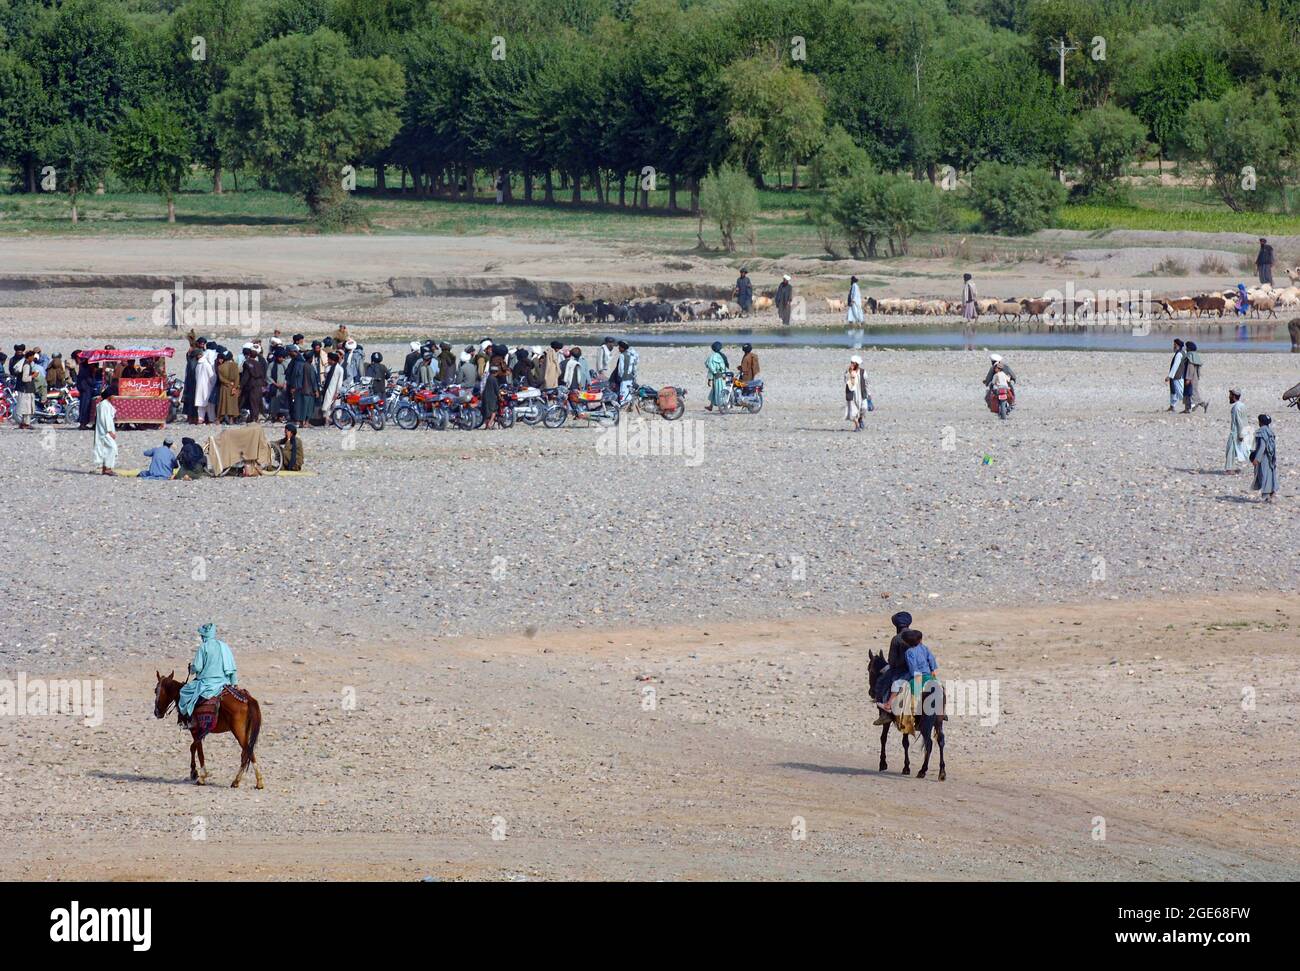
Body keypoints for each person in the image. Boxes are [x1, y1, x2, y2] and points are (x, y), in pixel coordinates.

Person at [177, 623, 239, 724]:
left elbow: (198, 667)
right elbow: (231, 667)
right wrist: (234, 683)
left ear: (204, 636)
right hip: (224, 682)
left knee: (184, 691)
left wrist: (191, 669)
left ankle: (188, 720)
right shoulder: (224, 647)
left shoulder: (203, 647)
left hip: (207, 683)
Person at [874, 611, 913, 724]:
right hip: (919, 669)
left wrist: (893, 665)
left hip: (902, 671)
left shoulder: (896, 639)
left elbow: (892, 660)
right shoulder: (916, 635)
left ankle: (885, 711)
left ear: (896, 625)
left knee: (882, 682)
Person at [1250, 414, 1277, 502]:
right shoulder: (1270, 431)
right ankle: (1272, 492)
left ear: (1260, 422)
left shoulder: (1261, 432)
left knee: (1263, 474)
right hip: (1271, 456)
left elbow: (1262, 446)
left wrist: (1257, 459)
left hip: (1264, 457)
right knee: (1270, 474)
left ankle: (1266, 495)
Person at [1225, 390, 1250, 473]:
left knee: (1230, 450)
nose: (1229, 397)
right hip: (1242, 431)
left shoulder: (1236, 408)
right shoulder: (1242, 405)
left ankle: (1229, 469)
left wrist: (1241, 434)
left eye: (1230, 395)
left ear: (1234, 396)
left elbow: (1239, 422)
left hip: (1236, 432)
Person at [94, 389, 118, 476]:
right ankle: (108, 468)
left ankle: (105, 468)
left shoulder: (106, 404)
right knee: (112, 448)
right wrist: (110, 431)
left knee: (107, 449)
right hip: (104, 432)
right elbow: (105, 419)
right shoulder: (104, 405)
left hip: (106, 431)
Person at [239, 346, 266, 423]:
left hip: (251, 385)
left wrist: (241, 385)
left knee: (252, 402)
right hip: (259, 385)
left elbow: (245, 376)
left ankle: (253, 419)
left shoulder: (247, 363)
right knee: (257, 401)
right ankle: (255, 417)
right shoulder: (258, 363)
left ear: (249, 355)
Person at [1180, 341, 1207, 413]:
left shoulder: (1190, 356)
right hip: (1194, 378)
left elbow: (1190, 368)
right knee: (1187, 393)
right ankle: (1187, 409)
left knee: (1192, 393)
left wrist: (1188, 379)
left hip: (1191, 378)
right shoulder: (1195, 356)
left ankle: (1203, 404)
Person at [844, 355, 869, 431]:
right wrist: (850, 373)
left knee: (864, 408)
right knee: (853, 411)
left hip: (861, 393)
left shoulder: (863, 372)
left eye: (853, 363)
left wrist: (869, 394)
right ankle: (857, 426)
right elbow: (846, 381)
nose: (852, 364)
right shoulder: (848, 372)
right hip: (852, 394)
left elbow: (866, 383)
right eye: (851, 363)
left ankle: (860, 418)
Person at [216, 351, 240, 424]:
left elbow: (221, 379)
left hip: (224, 387)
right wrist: (234, 387)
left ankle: (219, 419)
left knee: (222, 404)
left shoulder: (220, 367)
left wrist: (228, 383)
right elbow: (237, 378)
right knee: (232, 404)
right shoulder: (235, 365)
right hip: (233, 387)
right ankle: (231, 419)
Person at [194, 347, 217, 424]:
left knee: (201, 405)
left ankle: (201, 418)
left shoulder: (198, 365)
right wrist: (214, 385)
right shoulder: (206, 364)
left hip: (199, 387)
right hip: (207, 386)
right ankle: (211, 419)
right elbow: (212, 377)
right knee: (210, 404)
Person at [16, 350, 36, 429]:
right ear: (29, 357)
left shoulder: (25, 364)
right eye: (32, 357)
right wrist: (33, 376)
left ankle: (23, 423)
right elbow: (25, 378)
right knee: (27, 407)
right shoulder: (27, 365)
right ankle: (26, 424)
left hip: (24, 389)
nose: (33, 358)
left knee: (25, 407)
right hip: (26, 389)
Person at [705, 341, 728, 411]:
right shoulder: (723, 356)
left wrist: (709, 379)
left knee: (718, 391)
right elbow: (726, 366)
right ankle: (711, 406)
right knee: (717, 390)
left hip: (717, 376)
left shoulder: (711, 357)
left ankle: (721, 406)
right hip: (724, 375)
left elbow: (711, 369)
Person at [1166, 339, 1185, 412]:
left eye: (1174, 345)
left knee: (1180, 392)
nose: (1173, 346)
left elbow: (1175, 366)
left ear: (1177, 345)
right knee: (1174, 391)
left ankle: (1192, 405)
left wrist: (1170, 376)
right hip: (1177, 376)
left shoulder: (1179, 354)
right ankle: (1172, 406)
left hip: (1177, 376)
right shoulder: (1182, 353)